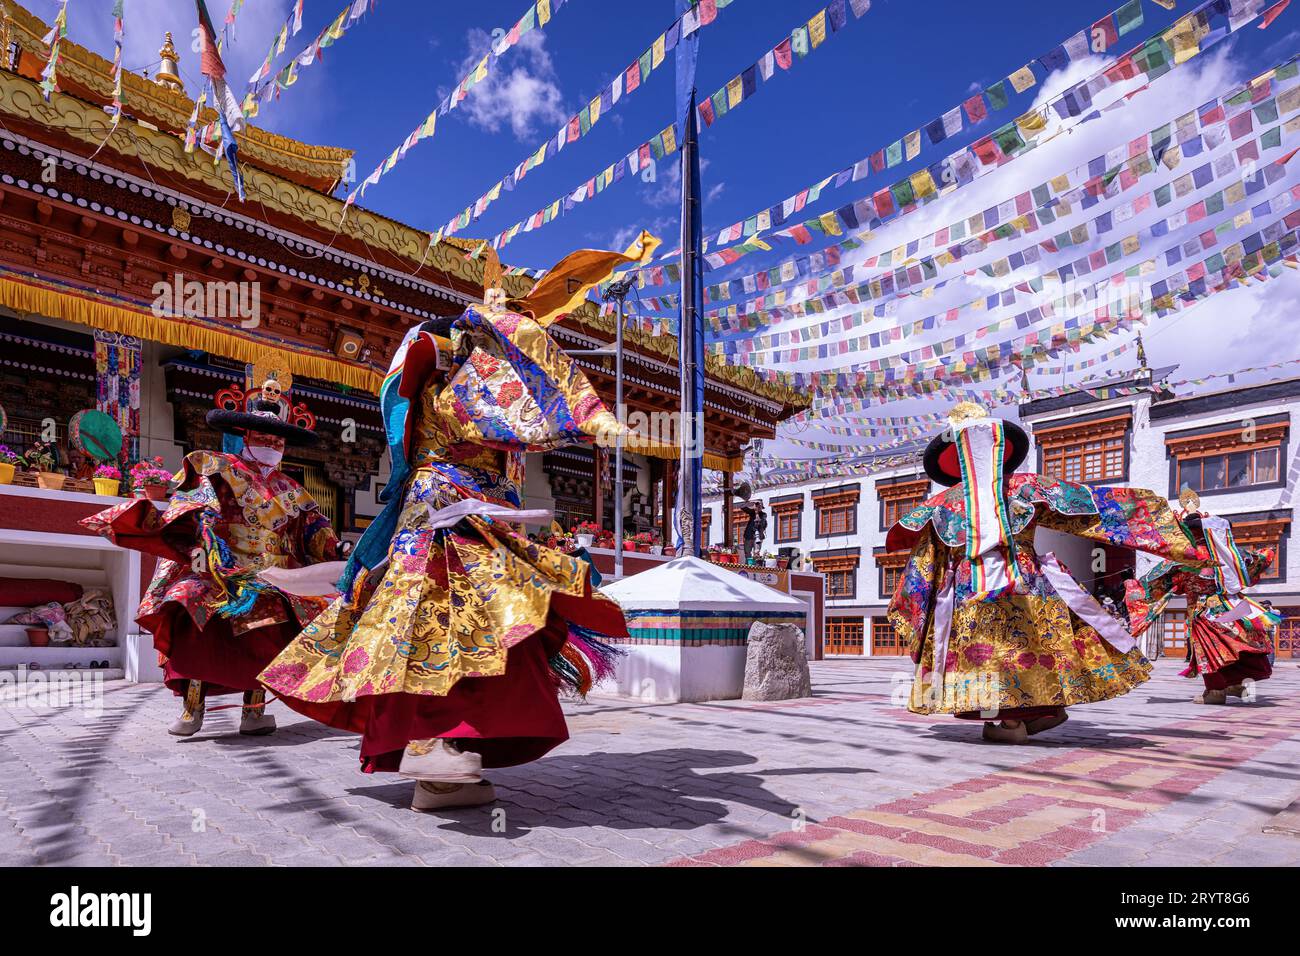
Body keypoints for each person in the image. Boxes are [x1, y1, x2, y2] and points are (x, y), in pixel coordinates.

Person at [259, 235, 657, 811]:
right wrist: (588, 416)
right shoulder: (453, 392)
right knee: (435, 623)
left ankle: (450, 760)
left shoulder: (465, 388)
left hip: (481, 518)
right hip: (442, 519)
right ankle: (434, 746)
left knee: (495, 629)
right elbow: (515, 408)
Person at [886, 403, 1206, 743]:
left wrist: (914, 606)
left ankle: (1009, 723)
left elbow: (923, 563)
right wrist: (1159, 527)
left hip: (968, 592)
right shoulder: (1026, 487)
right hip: (1028, 580)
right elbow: (1090, 507)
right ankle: (1042, 710)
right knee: (1029, 646)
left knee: (987, 653)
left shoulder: (941, 505)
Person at [81, 370, 345, 737]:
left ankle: (253, 712)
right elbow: (192, 505)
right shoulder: (218, 468)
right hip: (218, 566)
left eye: (279, 439)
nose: (272, 443)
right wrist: (207, 540)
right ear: (246, 437)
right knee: (193, 609)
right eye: (263, 436)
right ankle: (193, 709)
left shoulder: (292, 488)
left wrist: (338, 548)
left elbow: (311, 530)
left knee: (274, 619)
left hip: (273, 572)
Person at [1126, 491, 1277, 704]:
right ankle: (1235, 684)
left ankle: (1216, 691)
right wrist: (1268, 552)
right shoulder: (1231, 553)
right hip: (1234, 607)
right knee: (1234, 645)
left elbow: (1162, 581)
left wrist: (1133, 586)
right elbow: (1258, 561)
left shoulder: (1190, 556)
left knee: (1211, 649)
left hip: (1203, 611)